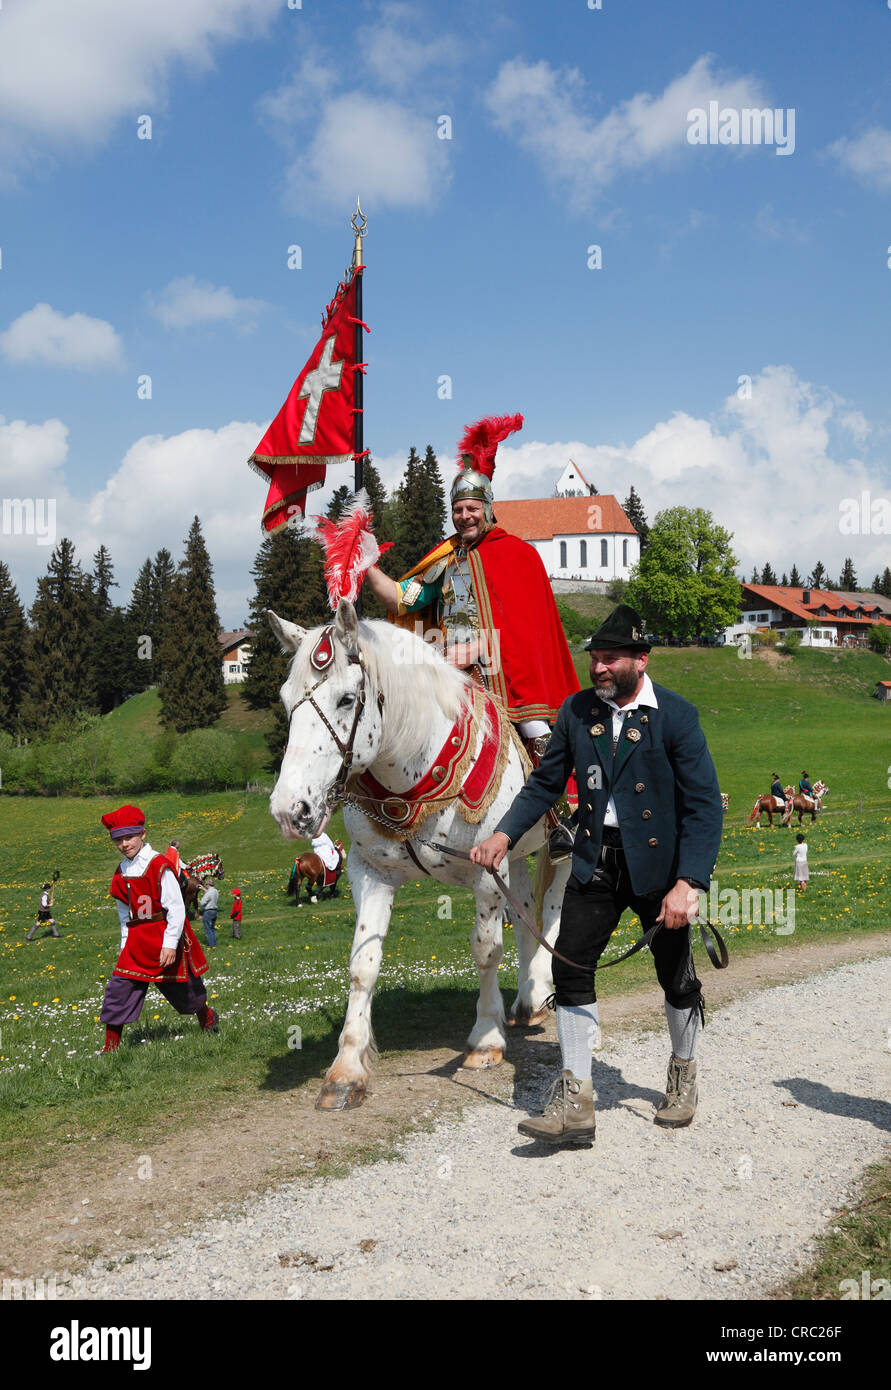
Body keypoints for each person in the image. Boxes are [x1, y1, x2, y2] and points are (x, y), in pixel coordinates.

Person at [471, 604, 722, 1145]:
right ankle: (576, 1098)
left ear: (640, 659)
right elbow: (544, 784)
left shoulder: (675, 716)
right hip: (594, 861)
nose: (600, 668)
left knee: (676, 979)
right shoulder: (577, 711)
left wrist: (690, 883)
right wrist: (503, 835)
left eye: (611, 659)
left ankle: (683, 1072)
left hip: (660, 869)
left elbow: (704, 807)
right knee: (570, 969)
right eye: (595, 659)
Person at [364, 413, 580, 856]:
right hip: (452, 673)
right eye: (458, 510)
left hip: (505, 675)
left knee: (535, 728)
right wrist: (364, 564)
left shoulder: (517, 556)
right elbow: (400, 598)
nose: (464, 516)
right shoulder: (443, 560)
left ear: (487, 509)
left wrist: (483, 646)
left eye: (471, 509)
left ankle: (563, 820)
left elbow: (528, 628)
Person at [98, 804, 218, 1052]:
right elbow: (125, 914)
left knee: (185, 993)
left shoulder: (159, 865)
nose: (124, 844)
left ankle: (207, 1018)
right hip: (136, 942)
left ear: (142, 834)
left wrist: (169, 944)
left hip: (163, 937)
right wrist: (124, 945)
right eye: (118, 840)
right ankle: (111, 1049)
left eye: (129, 837)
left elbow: (176, 908)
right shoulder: (120, 872)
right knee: (118, 992)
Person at [199, 878, 219, 947]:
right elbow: (210, 893)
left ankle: (211, 944)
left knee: (208, 929)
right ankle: (214, 943)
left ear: (208, 885)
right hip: (214, 911)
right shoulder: (215, 891)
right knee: (212, 928)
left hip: (208, 911)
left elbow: (202, 902)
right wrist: (203, 889)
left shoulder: (209, 893)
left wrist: (201, 901)